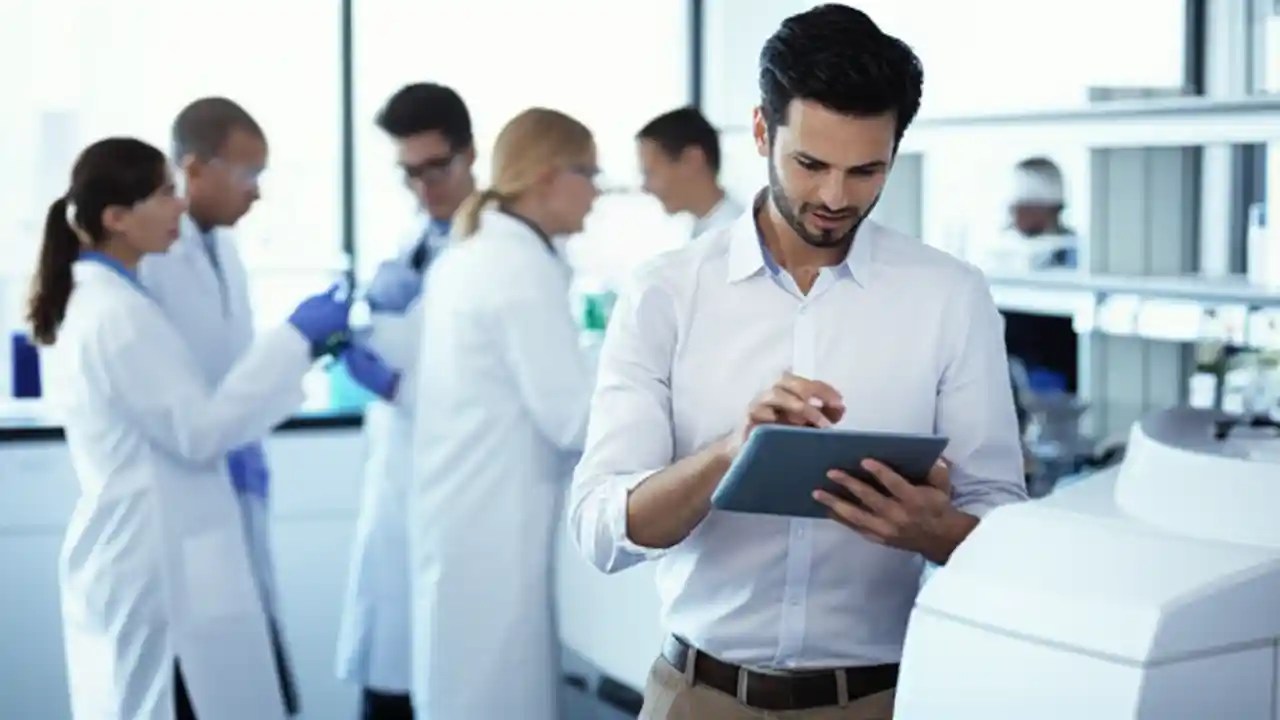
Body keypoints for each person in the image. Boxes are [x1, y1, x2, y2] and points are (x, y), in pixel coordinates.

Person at [569, 6, 1028, 719]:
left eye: (866, 170)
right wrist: (729, 455)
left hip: (877, 700)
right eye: (810, 164)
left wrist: (927, 531)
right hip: (698, 696)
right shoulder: (665, 291)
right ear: (761, 131)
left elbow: (1001, 526)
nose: (835, 197)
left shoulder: (950, 296)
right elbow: (603, 529)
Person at [28, 137, 351, 720]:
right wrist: (296, 339)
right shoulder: (116, 315)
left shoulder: (116, 300)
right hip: (155, 561)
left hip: (161, 546)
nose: (179, 205)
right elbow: (198, 432)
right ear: (117, 219)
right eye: (164, 193)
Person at [408, 107, 599, 720]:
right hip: (494, 522)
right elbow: (571, 418)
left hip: (469, 514)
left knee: (469, 688)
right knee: (497, 694)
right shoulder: (517, 268)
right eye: (588, 174)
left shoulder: (479, 252)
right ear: (546, 177)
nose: (596, 191)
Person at [137, 97, 303, 714]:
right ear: (194, 168)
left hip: (230, 482)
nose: (256, 194)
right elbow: (185, 403)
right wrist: (294, 345)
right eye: (247, 175)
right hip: (182, 496)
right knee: (199, 684)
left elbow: (237, 367)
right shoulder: (153, 262)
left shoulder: (223, 248)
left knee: (249, 674)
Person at [335, 82, 477, 720]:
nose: (424, 187)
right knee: (387, 677)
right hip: (397, 471)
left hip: (452, 486)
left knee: (431, 674)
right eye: (407, 174)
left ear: (469, 154)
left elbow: (482, 381)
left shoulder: (495, 244)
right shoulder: (417, 237)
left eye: (436, 168)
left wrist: (399, 383)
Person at [637, 106, 743, 238]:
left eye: (651, 173)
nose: (646, 188)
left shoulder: (736, 237)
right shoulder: (705, 230)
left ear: (692, 160)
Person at [976, 156, 1079, 273]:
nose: (1014, 216)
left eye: (1021, 208)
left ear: (1046, 209)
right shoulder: (1001, 253)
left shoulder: (1079, 255)